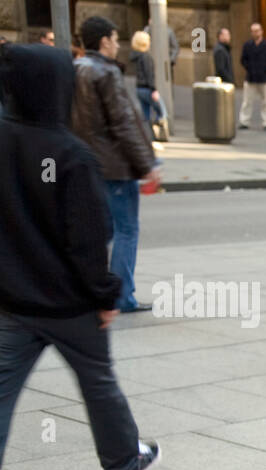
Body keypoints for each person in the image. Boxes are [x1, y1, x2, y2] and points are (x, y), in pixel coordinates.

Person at [0, 41, 161, 470]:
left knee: (1, 393)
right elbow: (88, 240)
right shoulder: (69, 154)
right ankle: (124, 461)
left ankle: (126, 458)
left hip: (13, 303)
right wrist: (106, 294)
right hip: (72, 306)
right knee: (98, 384)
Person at [72, 16, 161, 314]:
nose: (118, 43)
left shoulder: (76, 69)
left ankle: (86, 288)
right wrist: (147, 164)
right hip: (115, 166)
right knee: (126, 229)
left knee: (103, 230)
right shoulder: (105, 73)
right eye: (114, 37)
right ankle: (122, 296)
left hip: (88, 164)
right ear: (104, 41)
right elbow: (124, 124)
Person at [239, 21, 266, 130]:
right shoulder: (247, 45)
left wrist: (264, 68)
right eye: (253, 31)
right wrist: (249, 68)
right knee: (247, 101)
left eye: (257, 31)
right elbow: (243, 60)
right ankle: (244, 121)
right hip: (250, 77)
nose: (255, 33)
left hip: (264, 78)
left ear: (261, 31)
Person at [129, 31, 163, 133]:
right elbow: (149, 74)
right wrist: (154, 89)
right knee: (161, 112)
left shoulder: (136, 56)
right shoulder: (146, 57)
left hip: (139, 88)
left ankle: (149, 135)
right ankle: (157, 132)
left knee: (146, 116)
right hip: (147, 88)